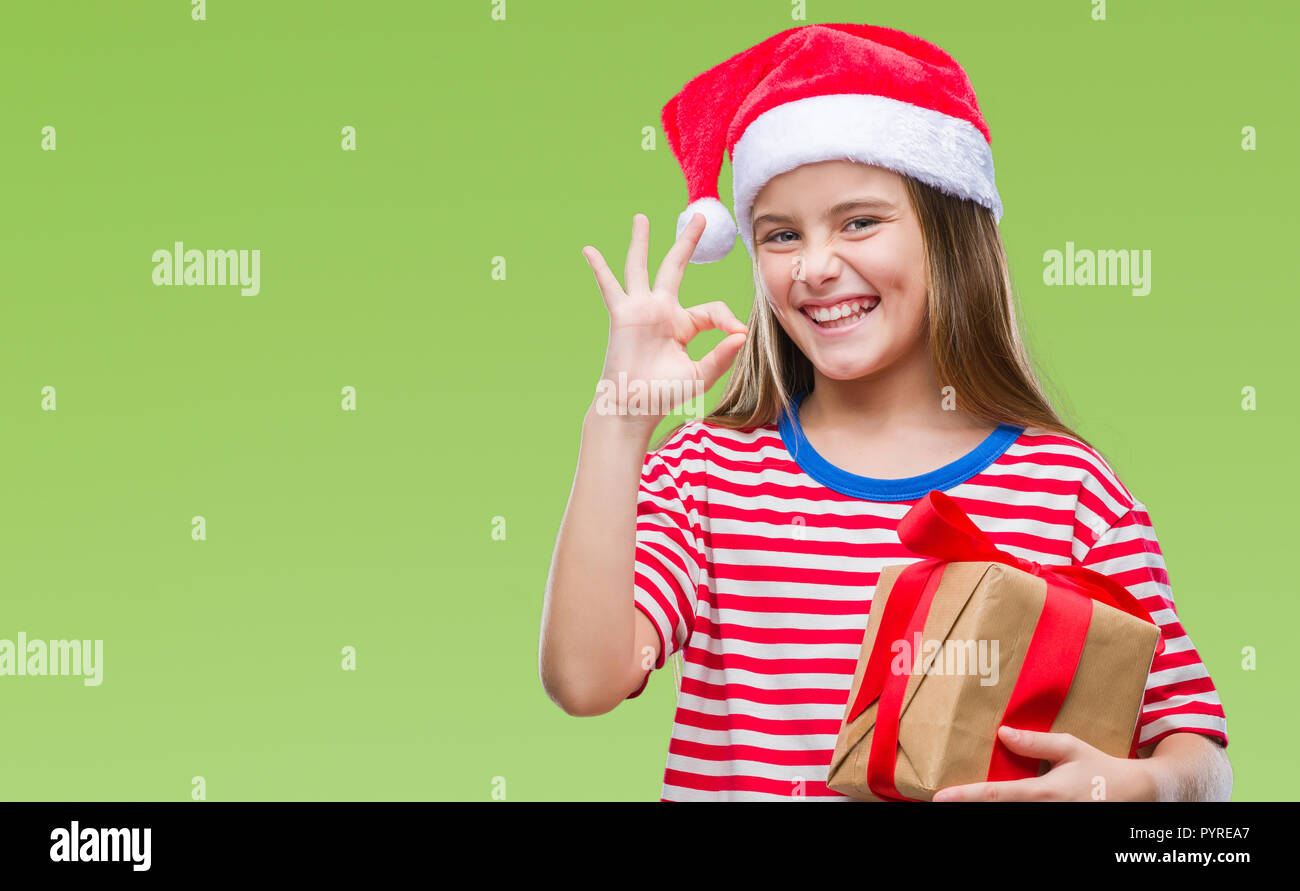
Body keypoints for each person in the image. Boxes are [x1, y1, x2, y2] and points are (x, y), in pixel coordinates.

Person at [539, 23, 1230, 802]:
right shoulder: (709, 474)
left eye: (859, 221)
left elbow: (1196, 749)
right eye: (780, 234)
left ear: (948, 232)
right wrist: (620, 418)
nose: (815, 266)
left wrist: (1138, 788)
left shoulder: (1067, 491)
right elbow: (582, 679)